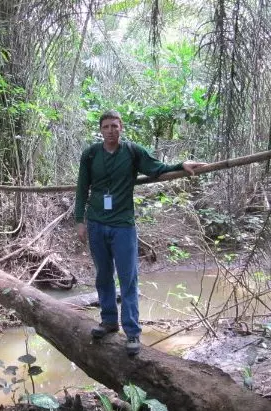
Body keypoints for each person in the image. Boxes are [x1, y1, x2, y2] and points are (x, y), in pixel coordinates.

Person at [74, 110, 206, 355]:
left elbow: (157, 168)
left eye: (115, 126)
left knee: (128, 278)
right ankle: (109, 321)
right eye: (106, 127)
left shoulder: (133, 152)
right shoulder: (91, 154)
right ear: (100, 130)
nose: (111, 131)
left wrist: (182, 165)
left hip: (123, 224)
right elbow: (82, 188)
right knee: (103, 275)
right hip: (96, 223)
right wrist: (79, 221)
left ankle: (132, 332)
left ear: (121, 127)